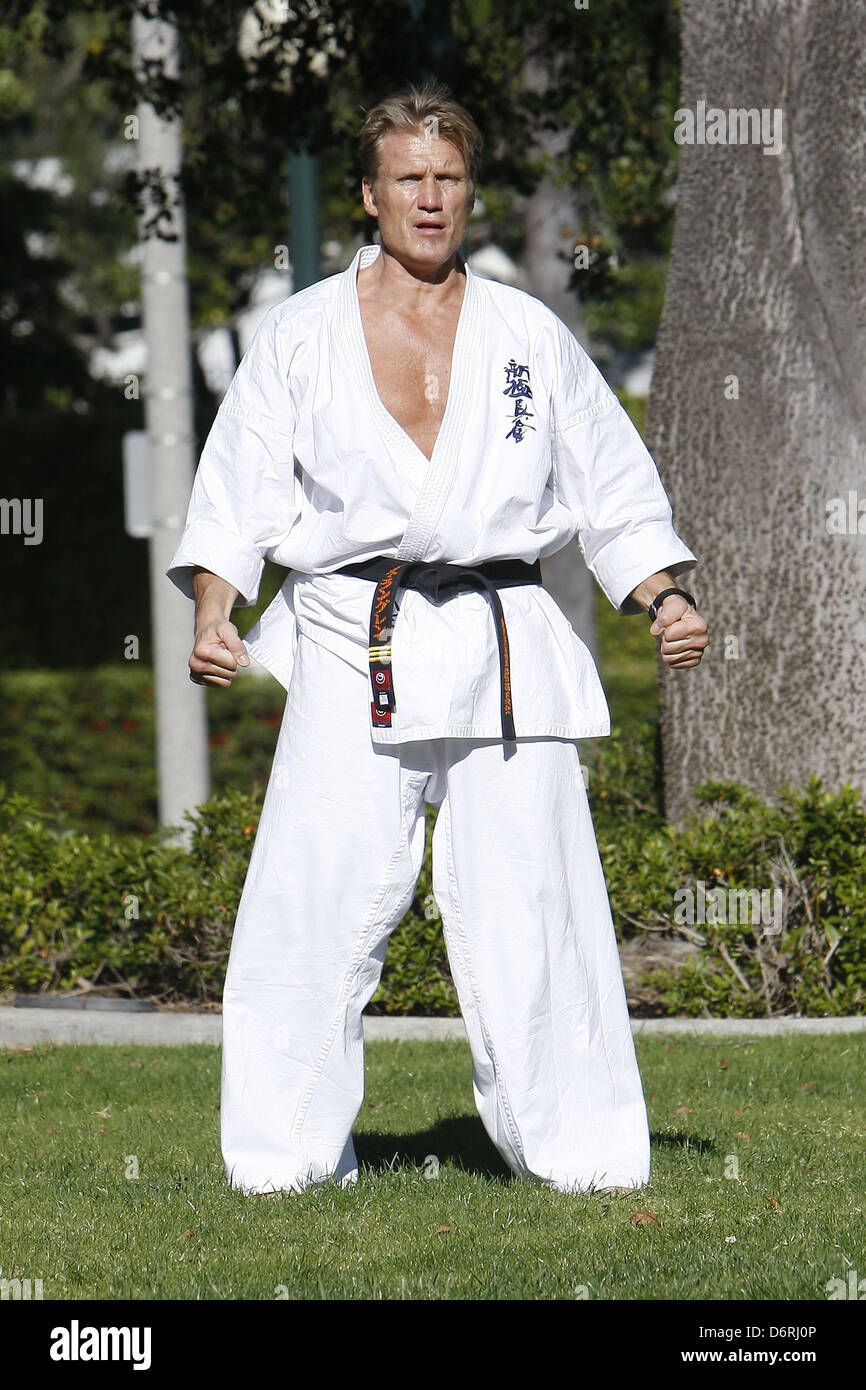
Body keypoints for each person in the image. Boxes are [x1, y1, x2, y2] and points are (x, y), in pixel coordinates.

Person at [167, 79, 708, 1198]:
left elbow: (607, 484)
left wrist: (660, 598)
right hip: (348, 632)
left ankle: (585, 1157)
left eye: (448, 178)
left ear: (469, 192)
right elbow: (240, 489)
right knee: (312, 900)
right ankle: (283, 1161)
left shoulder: (525, 333)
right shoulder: (302, 333)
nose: (429, 198)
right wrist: (216, 606)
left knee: (537, 905)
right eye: (408, 178)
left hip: (504, 636)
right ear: (367, 195)